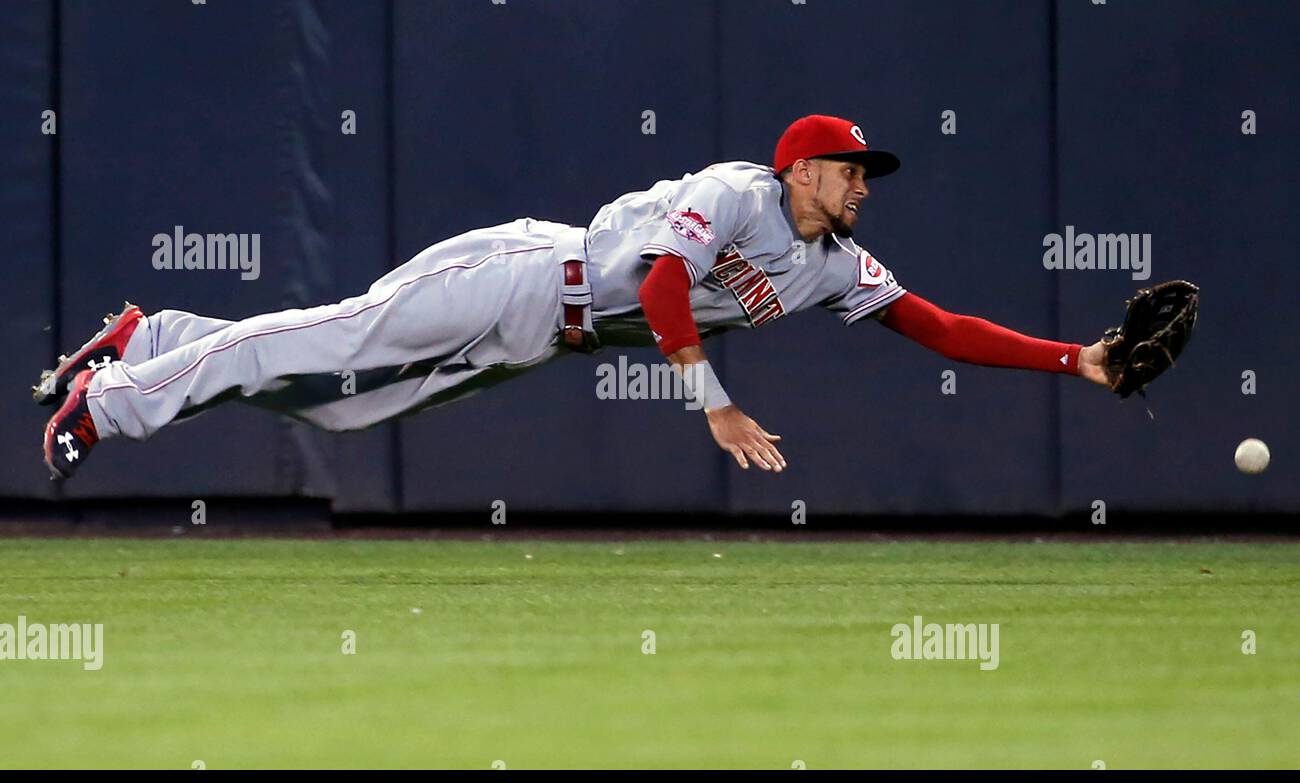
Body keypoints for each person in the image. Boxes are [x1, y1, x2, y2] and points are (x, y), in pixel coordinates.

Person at [39, 114, 1107, 480]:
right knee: (331, 335)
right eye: (847, 166)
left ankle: (160, 336)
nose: (862, 181)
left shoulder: (833, 265)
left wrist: (1079, 359)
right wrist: (710, 399)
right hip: (518, 272)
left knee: (337, 404)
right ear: (797, 171)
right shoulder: (736, 192)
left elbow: (942, 328)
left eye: (865, 170)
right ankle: (111, 401)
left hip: (543, 339)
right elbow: (665, 283)